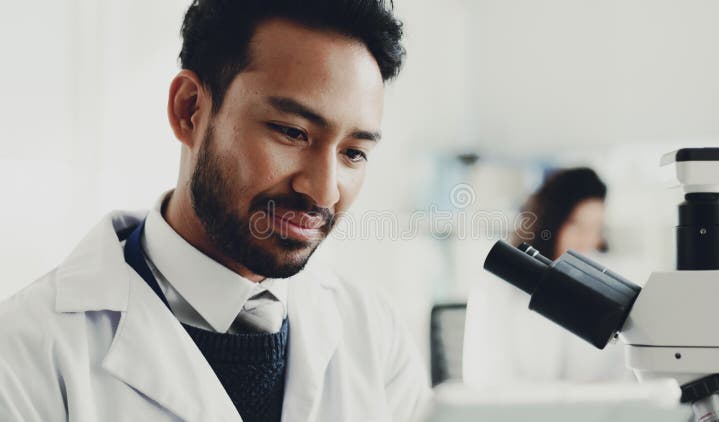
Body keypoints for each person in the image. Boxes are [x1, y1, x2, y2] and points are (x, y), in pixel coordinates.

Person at [0, 1, 431, 421]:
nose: (323, 191)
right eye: (292, 132)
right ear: (189, 110)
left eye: (354, 153)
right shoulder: (25, 355)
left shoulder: (376, 338)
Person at [463, 167, 632, 386]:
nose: (588, 240)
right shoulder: (498, 287)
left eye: (596, 228)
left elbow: (623, 372)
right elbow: (489, 378)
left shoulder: (610, 284)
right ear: (551, 222)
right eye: (577, 225)